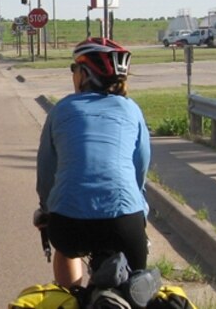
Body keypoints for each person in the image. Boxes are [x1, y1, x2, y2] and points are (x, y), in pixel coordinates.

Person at [33, 37, 151, 288]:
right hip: (124, 220)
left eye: (75, 68)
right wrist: (141, 211)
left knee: (66, 251)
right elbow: (140, 167)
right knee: (137, 289)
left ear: (85, 74)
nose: (73, 74)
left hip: (69, 224)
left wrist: (45, 210)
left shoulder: (61, 110)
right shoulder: (132, 110)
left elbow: (46, 171)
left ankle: (69, 293)